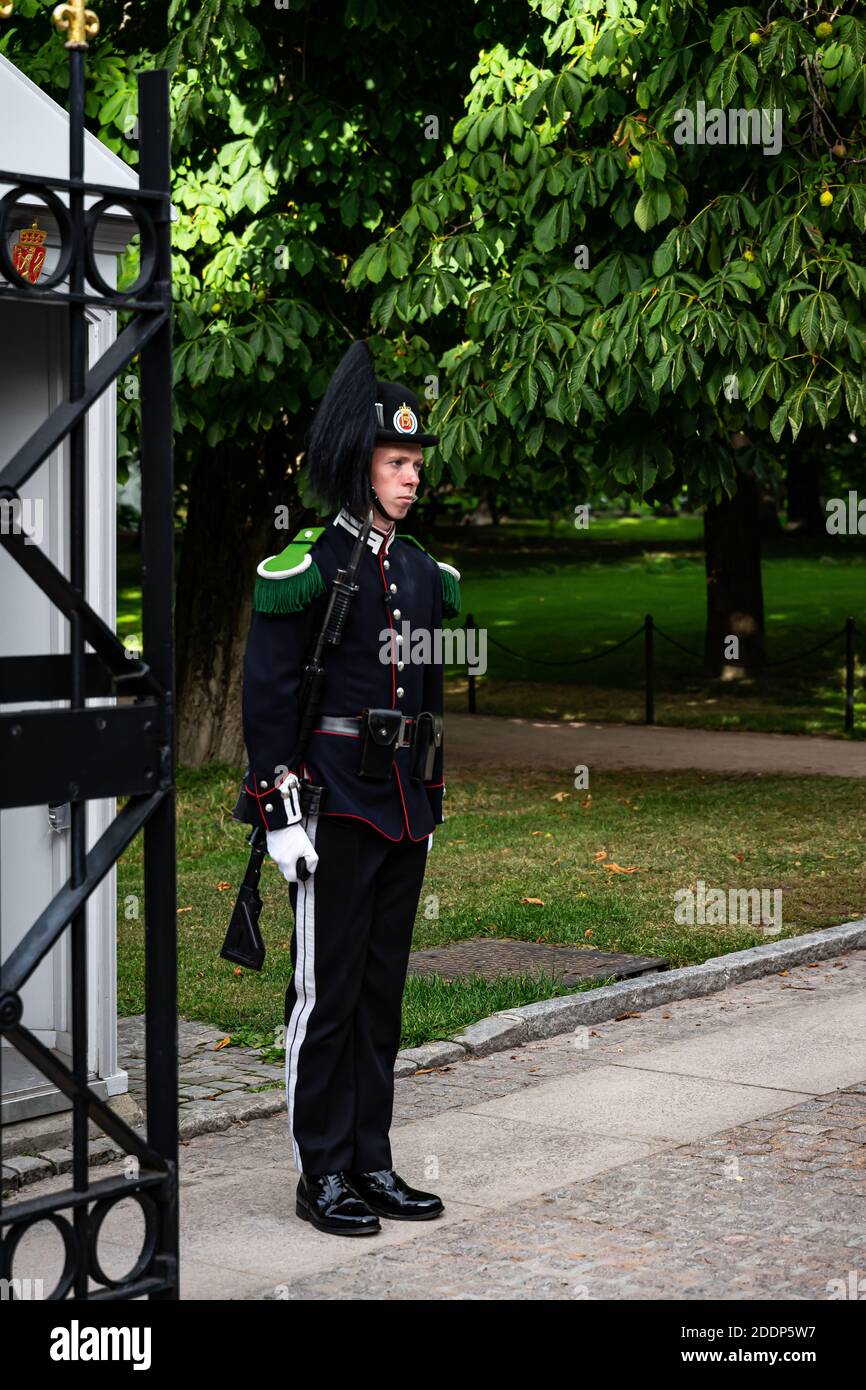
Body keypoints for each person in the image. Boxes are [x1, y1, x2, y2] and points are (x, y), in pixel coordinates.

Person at [232, 339, 461, 1237]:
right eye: (396, 463)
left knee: (380, 993)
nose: (410, 479)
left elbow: (431, 701)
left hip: (401, 807)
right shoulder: (309, 566)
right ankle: (319, 1172)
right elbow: (270, 700)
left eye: (414, 464)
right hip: (329, 807)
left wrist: (431, 801)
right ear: (356, 466)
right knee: (323, 997)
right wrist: (277, 811)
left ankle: (371, 1159)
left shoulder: (420, 572)